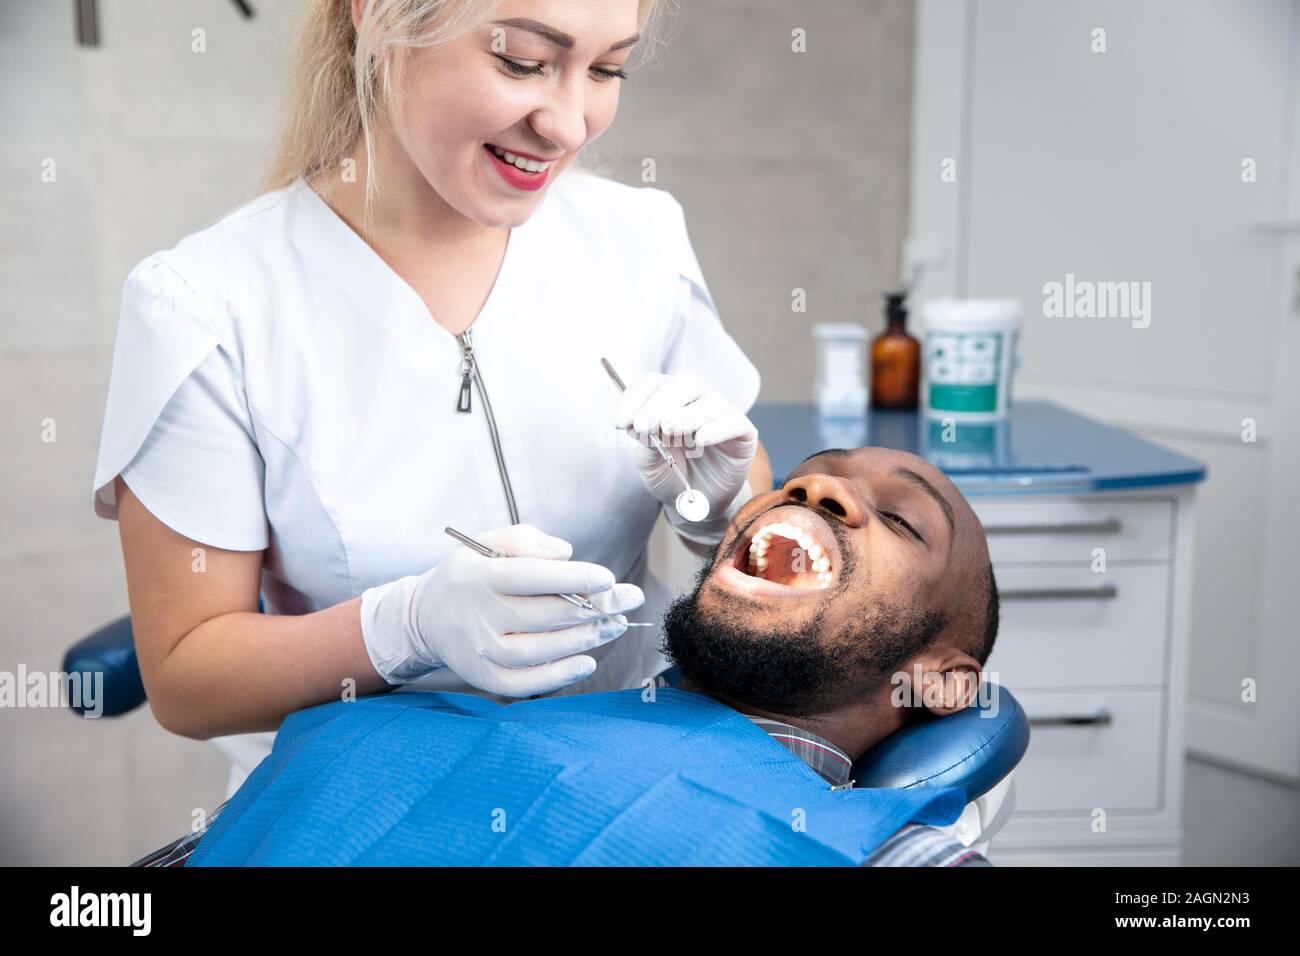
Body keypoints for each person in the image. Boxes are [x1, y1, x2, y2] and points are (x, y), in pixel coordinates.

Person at [90, 0, 769, 796]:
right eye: (521, 61)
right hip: (371, 809)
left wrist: (720, 514)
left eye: (606, 69)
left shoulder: (640, 240)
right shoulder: (209, 303)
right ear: (379, 18)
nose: (569, 123)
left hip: (631, 781)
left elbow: (756, 548)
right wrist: (400, 628)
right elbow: (185, 677)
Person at [140, 447, 1002, 867]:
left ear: (939, 677)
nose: (815, 489)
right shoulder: (381, 727)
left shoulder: (875, 853)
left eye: (900, 520)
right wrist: (404, 627)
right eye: (803, 480)